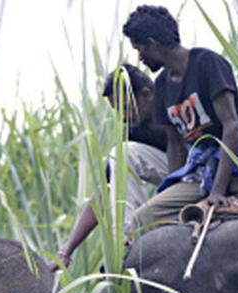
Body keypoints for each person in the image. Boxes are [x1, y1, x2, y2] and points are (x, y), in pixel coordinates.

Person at [123, 5, 238, 236]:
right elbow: (175, 144)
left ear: (152, 43)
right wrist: (174, 186)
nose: (139, 57)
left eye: (139, 49)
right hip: (201, 173)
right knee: (144, 218)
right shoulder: (162, 84)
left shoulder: (208, 63)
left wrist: (217, 192)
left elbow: (231, 127)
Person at [53, 64, 169, 269]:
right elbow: (104, 194)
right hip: (174, 175)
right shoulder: (132, 132)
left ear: (146, 94)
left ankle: (130, 236)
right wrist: (67, 251)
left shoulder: (173, 102)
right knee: (122, 155)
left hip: (199, 169)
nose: (123, 116)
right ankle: (132, 239)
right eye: (118, 111)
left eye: (126, 107)